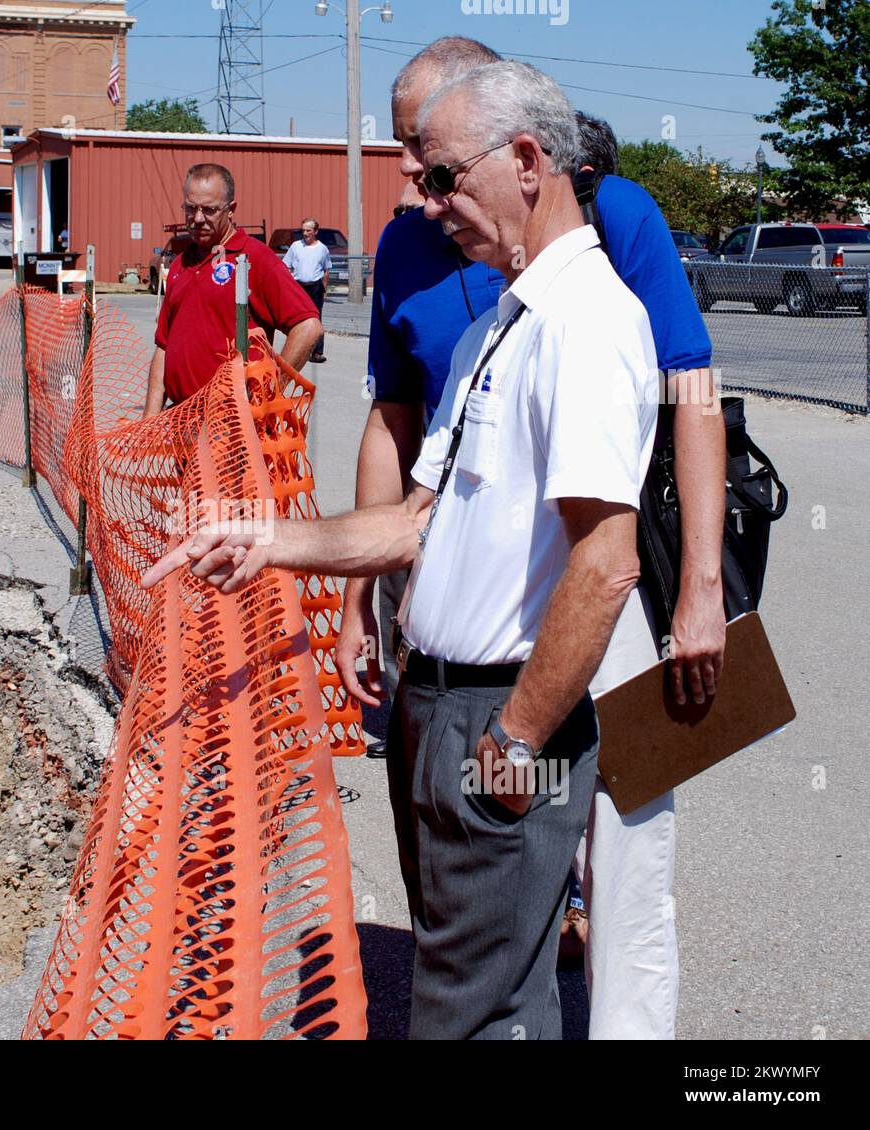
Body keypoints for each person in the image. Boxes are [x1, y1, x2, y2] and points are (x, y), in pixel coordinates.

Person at [146, 61, 660, 1040]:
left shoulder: (588, 324)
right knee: (492, 995)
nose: (422, 205)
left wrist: (514, 742)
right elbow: (412, 521)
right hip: (436, 702)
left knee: (463, 1009)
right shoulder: (494, 332)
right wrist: (268, 538)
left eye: (439, 178)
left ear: (523, 161)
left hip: (502, 711)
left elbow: (605, 563)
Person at [336, 36, 725, 1040]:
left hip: (610, 573)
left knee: (631, 837)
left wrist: (700, 591)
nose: (414, 177)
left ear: (500, 143)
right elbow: (394, 417)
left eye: (432, 155)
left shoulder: (613, 212)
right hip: (481, 586)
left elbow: (692, 392)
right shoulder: (409, 243)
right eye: (406, 150)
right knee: (492, 846)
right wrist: (354, 601)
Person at [144, 164, 322, 416]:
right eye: (190, 208)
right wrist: (150, 419)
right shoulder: (179, 265)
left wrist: (268, 394)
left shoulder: (255, 259)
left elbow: (308, 327)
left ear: (231, 209)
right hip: (182, 422)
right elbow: (164, 346)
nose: (197, 219)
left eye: (209, 210)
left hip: (233, 429)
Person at [282, 218, 332, 363]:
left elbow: (326, 270)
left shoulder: (322, 249)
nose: (305, 233)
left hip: (315, 287)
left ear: (315, 231)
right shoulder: (296, 246)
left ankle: (317, 352)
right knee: (296, 319)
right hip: (298, 287)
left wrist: (325, 290)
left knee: (316, 319)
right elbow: (286, 266)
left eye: (308, 230)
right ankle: (295, 349)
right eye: (303, 230)